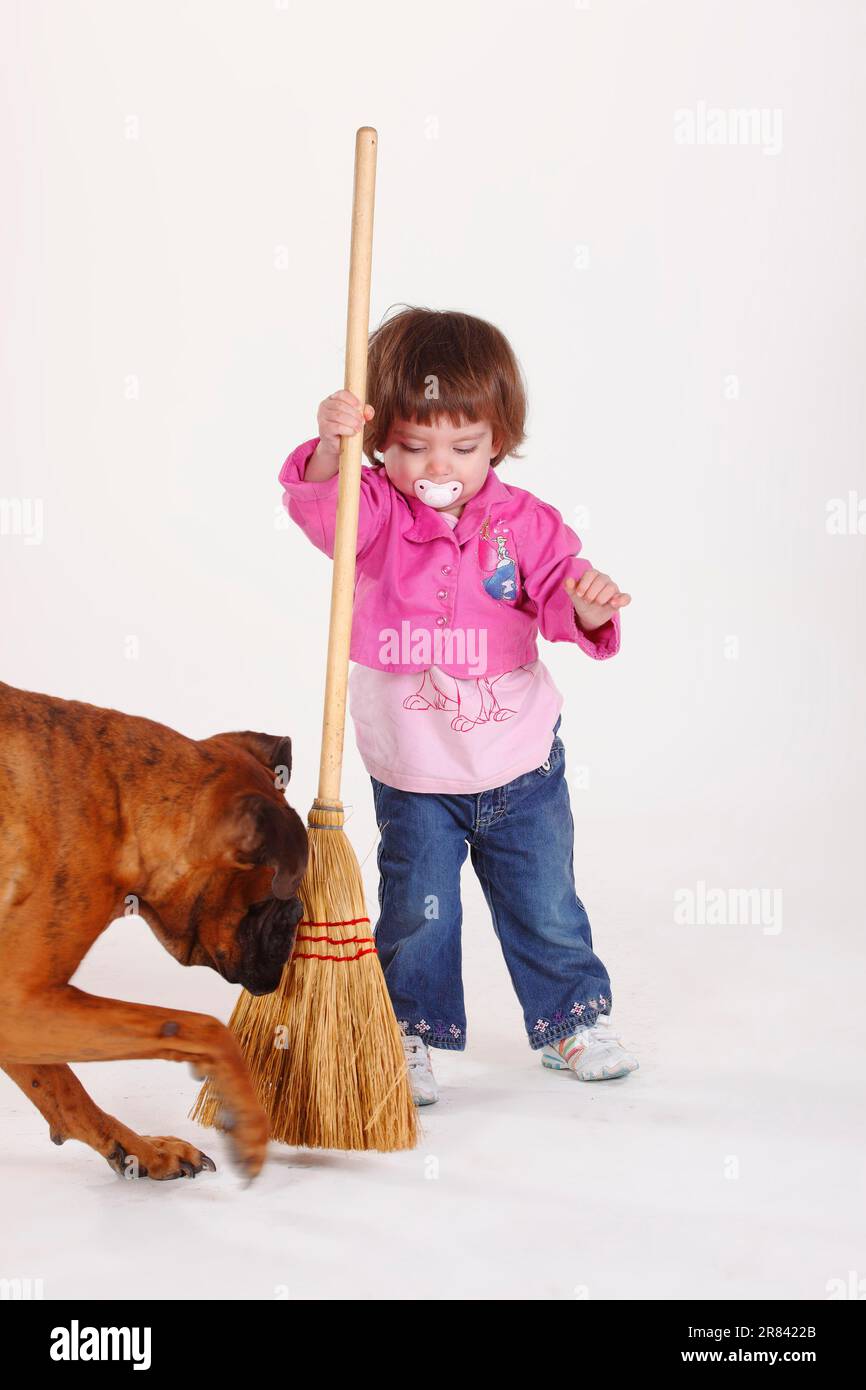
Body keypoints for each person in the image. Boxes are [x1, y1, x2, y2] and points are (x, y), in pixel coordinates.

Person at [279, 306, 638, 1104]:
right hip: (415, 768)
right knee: (418, 913)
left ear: (498, 441)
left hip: (518, 760)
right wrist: (328, 454)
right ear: (380, 441)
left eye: (463, 447)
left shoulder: (525, 523)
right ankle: (409, 1031)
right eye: (412, 446)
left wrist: (583, 608)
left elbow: (556, 590)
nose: (436, 465)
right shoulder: (370, 513)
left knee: (545, 901)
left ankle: (572, 1017)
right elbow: (319, 516)